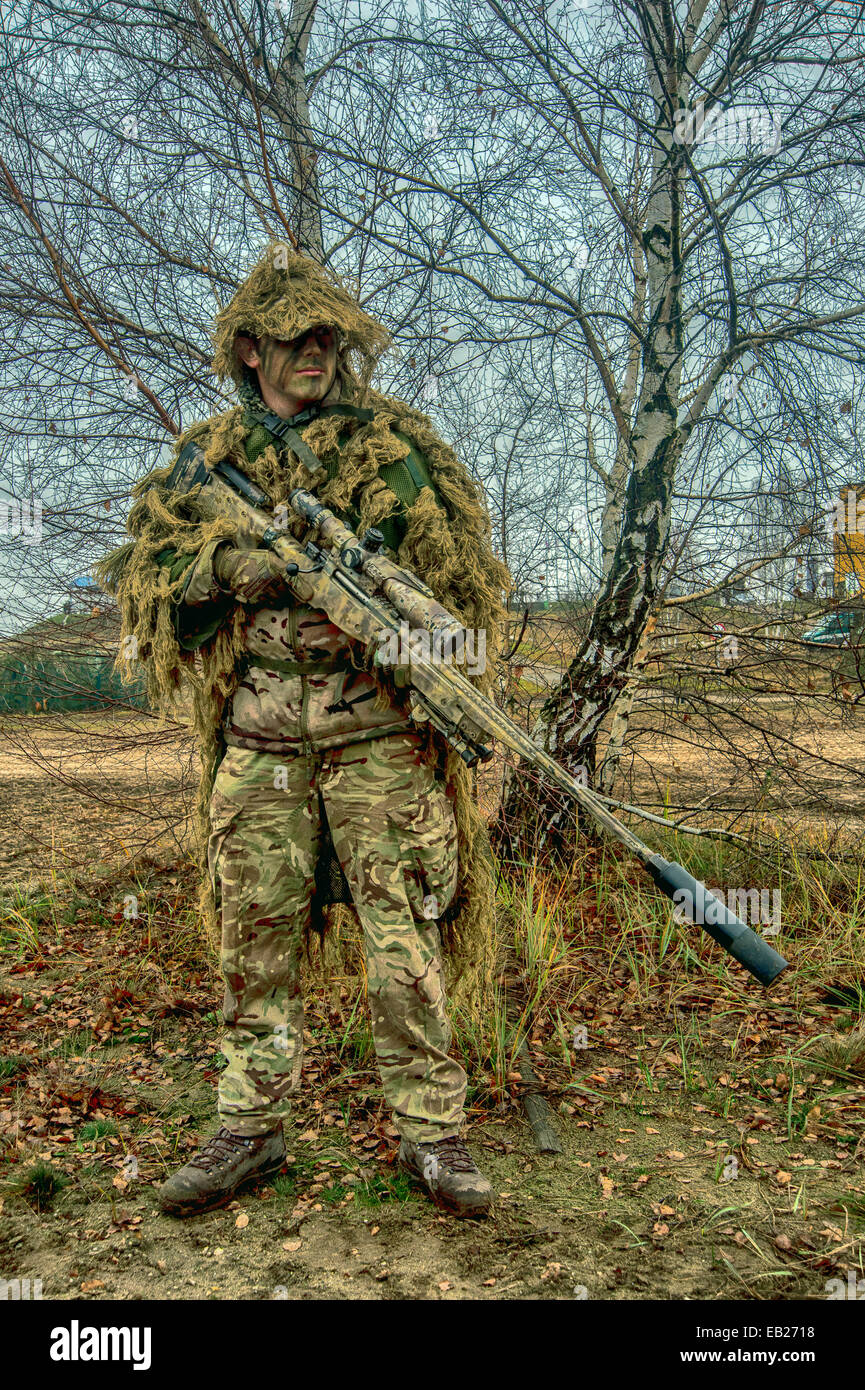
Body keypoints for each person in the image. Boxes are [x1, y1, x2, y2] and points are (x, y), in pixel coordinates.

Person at [100, 241, 512, 1219]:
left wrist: (382, 627)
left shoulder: (392, 448)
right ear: (249, 349)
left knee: (405, 940)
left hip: (376, 739)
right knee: (254, 944)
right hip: (261, 743)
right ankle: (250, 1127)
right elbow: (144, 582)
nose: (314, 353)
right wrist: (226, 572)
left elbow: (457, 596)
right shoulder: (206, 463)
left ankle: (434, 1137)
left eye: (327, 337)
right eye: (292, 339)